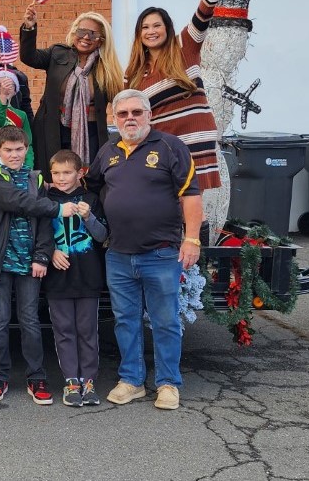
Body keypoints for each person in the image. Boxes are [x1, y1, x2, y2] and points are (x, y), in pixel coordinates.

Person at [89, 90, 203, 411]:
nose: (130, 118)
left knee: (165, 320)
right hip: (118, 254)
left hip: (162, 254)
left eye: (137, 112)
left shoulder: (170, 147)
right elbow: (93, 187)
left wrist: (191, 238)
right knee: (125, 320)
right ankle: (132, 380)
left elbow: (191, 194)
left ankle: (168, 384)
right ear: (114, 119)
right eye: (123, 113)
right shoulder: (108, 151)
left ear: (149, 115)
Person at [0, 126, 82, 407]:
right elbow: (16, 202)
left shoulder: (36, 178)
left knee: (30, 322)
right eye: (8, 150)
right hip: (0, 262)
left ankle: (37, 377)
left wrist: (41, 256)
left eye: (19, 149)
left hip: (29, 263)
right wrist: (58, 208)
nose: (14, 155)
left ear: (27, 149)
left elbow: (43, 226)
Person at [122, 0, 243, 191]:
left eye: (157, 25)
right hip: (160, 146)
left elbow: (204, 11)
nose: (151, 31)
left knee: (192, 205)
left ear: (167, 28)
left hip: (194, 138)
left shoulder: (185, 45)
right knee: (164, 206)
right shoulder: (133, 72)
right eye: (145, 27)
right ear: (139, 34)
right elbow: (131, 115)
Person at [38, 149, 108, 407]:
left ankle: (88, 380)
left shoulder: (90, 199)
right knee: (64, 330)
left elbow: (102, 236)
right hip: (58, 278)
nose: (61, 178)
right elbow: (38, 234)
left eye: (67, 172)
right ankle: (71, 381)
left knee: (87, 330)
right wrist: (51, 251)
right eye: (55, 173)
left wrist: (88, 217)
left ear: (80, 173)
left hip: (88, 275)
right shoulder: (45, 200)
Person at [20, 8, 124, 179]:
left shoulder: (107, 67)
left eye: (93, 34)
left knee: (86, 177)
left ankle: (84, 205)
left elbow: (121, 99)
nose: (85, 37)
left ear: (101, 41)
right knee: (51, 175)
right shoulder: (57, 53)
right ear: (74, 31)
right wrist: (29, 28)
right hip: (52, 129)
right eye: (81, 31)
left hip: (89, 133)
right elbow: (28, 56)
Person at [0, 69, 32, 170]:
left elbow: (28, 143)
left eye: (9, 85)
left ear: (16, 89)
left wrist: (28, 166)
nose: (5, 89)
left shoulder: (21, 115)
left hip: (18, 164)